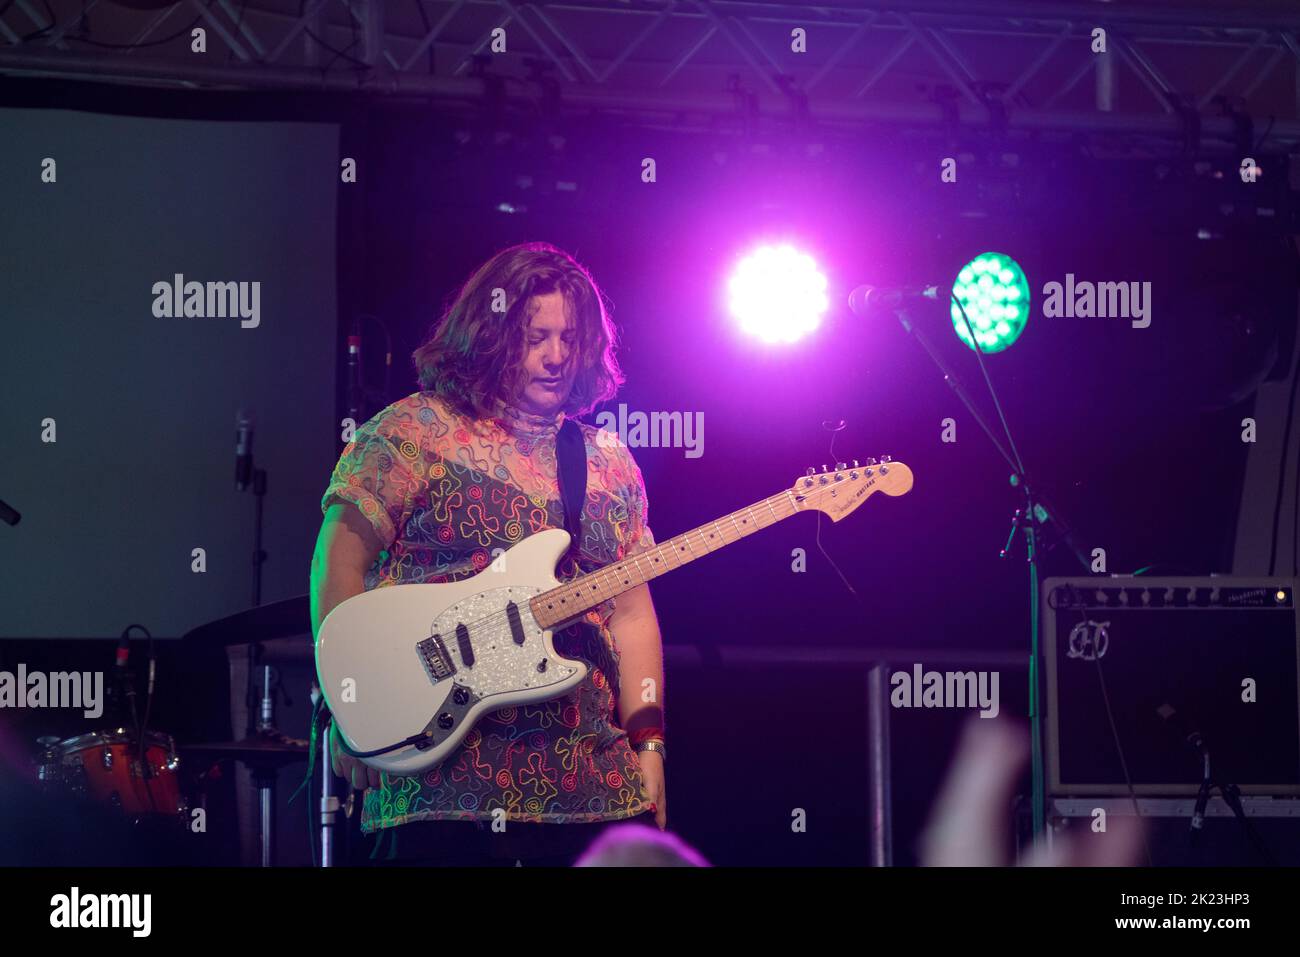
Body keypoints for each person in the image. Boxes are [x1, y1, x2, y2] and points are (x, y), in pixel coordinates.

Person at [310, 242, 667, 866]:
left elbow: (632, 615)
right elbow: (338, 565)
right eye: (536, 337)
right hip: (441, 786)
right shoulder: (412, 432)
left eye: (570, 338)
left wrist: (650, 747)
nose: (557, 357)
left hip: (591, 787)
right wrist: (350, 703)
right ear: (491, 333)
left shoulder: (608, 461)